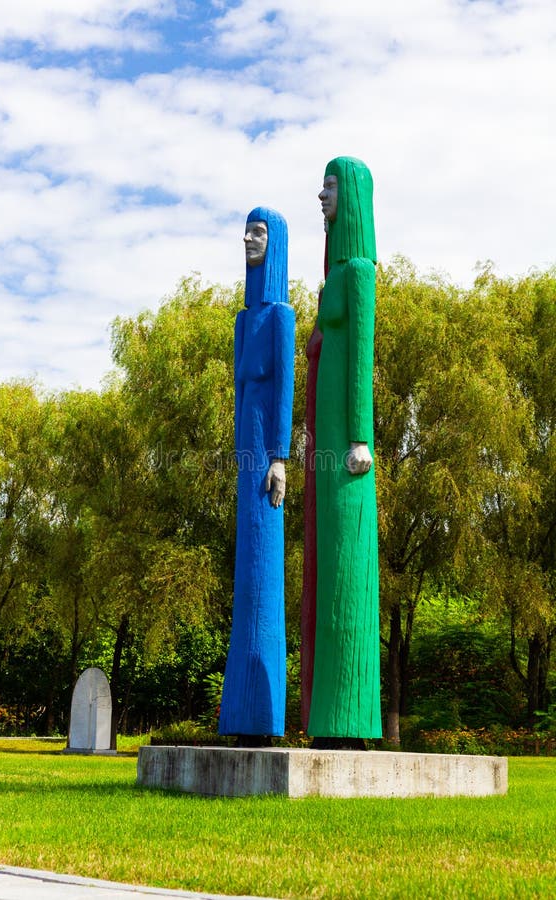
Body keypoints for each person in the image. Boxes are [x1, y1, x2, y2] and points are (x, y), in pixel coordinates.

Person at [307, 157, 382, 745]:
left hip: (347, 438)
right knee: (328, 553)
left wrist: (360, 437)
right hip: (326, 431)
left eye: (330, 187)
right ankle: (327, 715)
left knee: (347, 557)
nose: (321, 195)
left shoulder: (359, 271)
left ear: (351, 196)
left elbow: (362, 357)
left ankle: (351, 718)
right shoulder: (333, 273)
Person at [218, 207, 295, 743]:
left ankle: (264, 716)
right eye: (246, 231)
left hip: (266, 458)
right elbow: (241, 392)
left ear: (276, 244)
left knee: (264, 578)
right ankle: (238, 713)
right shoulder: (244, 321)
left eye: (260, 232)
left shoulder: (281, 317)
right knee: (245, 578)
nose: (249, 239)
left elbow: (285, 389)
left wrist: (279, 458)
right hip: (246, 454)